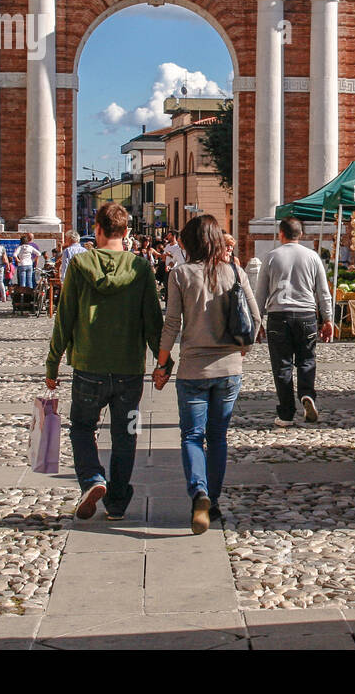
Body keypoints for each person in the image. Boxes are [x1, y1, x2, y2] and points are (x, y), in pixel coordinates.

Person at [46, 202, 163, 521]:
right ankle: (117, 501)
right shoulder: (140, 268)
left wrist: (52, 363)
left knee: (82, 428)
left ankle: (92, 479)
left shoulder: (81, 265)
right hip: (129, 370)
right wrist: (162, 362)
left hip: (89, 366)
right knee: (127, 432)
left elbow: (65, 318)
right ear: (127, 233)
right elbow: (153, 319)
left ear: (96, 229)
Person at [156, 214, 261, 534]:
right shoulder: (234, 271)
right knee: (217, 437)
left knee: (191, 436)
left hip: (193, 368)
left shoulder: (181, 274)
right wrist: (242, 350)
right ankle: (212, 501)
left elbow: (172, 324)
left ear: (189, 244)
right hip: (229, 369)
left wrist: (161, 364)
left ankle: (198, 492)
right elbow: (255, 319)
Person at [256, 217, 334, 427]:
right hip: (306, 315)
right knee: (307, 359)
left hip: (278, 316)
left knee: (282, 365)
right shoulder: (312, 257)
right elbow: (323, 292)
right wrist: (327, 319)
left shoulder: (271, 257)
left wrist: (256, 324)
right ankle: (307, 394)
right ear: (300, 234)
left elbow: (260, 294)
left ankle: (286, 414)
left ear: (281, 233)